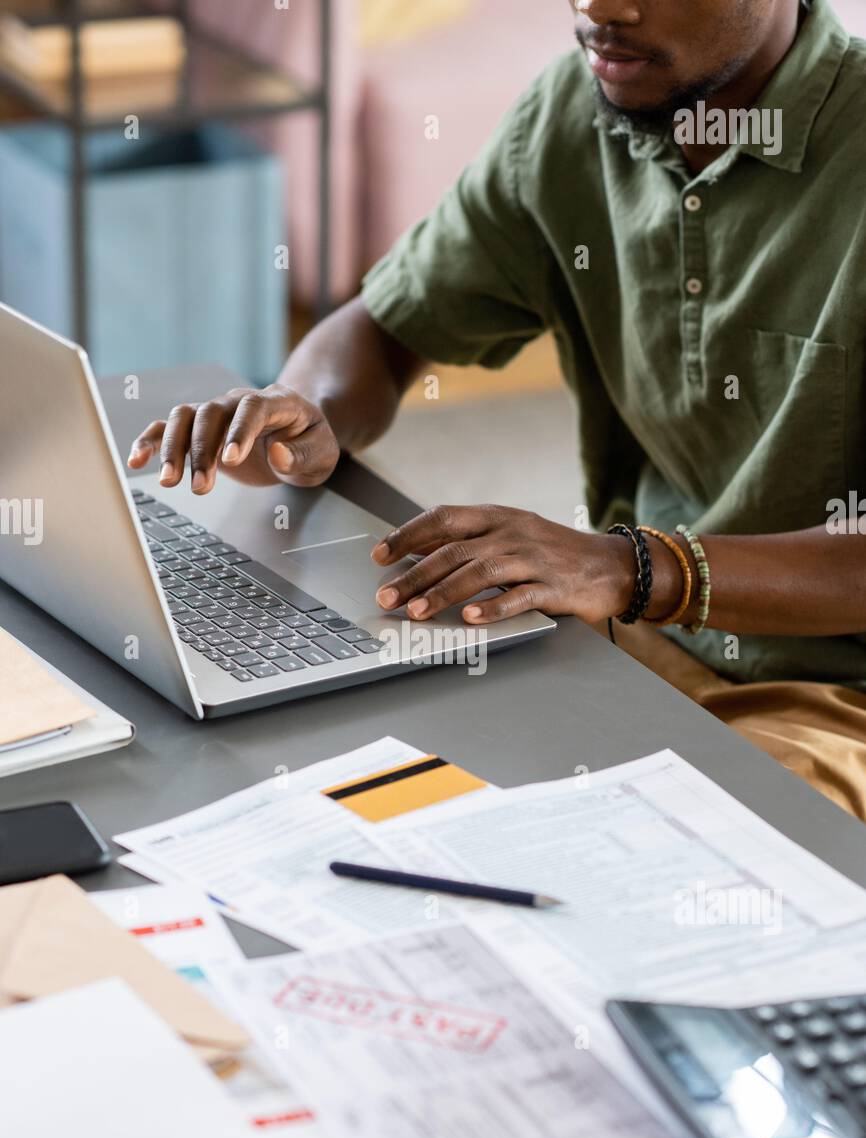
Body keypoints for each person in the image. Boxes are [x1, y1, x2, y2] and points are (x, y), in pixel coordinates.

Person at [128, 0, 866, 817]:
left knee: (664, 852)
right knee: (307, 767)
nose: (598, 8)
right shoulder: (572, 111)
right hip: (632, 632)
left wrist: (628, 566)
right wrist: (307, 410)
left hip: (834, 698)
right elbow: (386, 325)